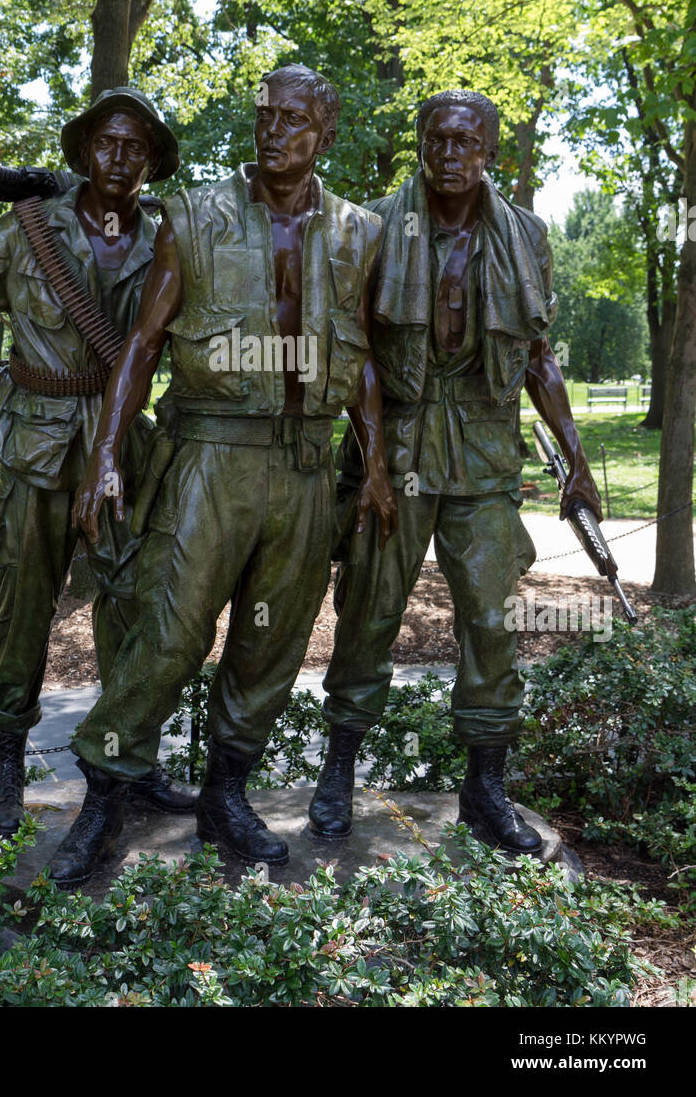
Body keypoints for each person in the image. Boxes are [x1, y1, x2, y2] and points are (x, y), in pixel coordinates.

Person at [47, 63, 398, 885]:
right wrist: (105, 454)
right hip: (211, 452)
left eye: (293, 120)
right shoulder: (194, 215)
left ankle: (226, 794)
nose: (273, 131)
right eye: (264, 115)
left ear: (326, 134)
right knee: (168, 632)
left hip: (308, 465)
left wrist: (375, 461)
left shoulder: (358, 231)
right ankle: (107, 790)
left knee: (269, 645)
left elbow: (365, 356)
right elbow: (143, 341)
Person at [0, 87, 195, 833]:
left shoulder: (170, 242)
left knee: (133, 609)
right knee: (22, 609)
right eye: (108, 143)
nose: (120, 158)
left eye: (136, 147)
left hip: (122, 454)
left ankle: (128, 763)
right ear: (84, 151)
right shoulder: (29, 230)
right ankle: (9, 765)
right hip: (36, 450)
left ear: (151, 162)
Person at [310, 89, 608, 854]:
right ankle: (338, 770)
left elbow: (537, 355)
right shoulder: (374, 226)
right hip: (400, 445)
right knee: (369, 608)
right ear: (421, 145)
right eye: (437, 140)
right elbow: (359, 355)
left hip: (483, 451)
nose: (450, 155)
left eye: (465, 142)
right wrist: (372, 462)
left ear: (489, 153)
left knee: (491, 621)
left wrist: (575, 458)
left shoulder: (526, 236)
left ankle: (485, 787)